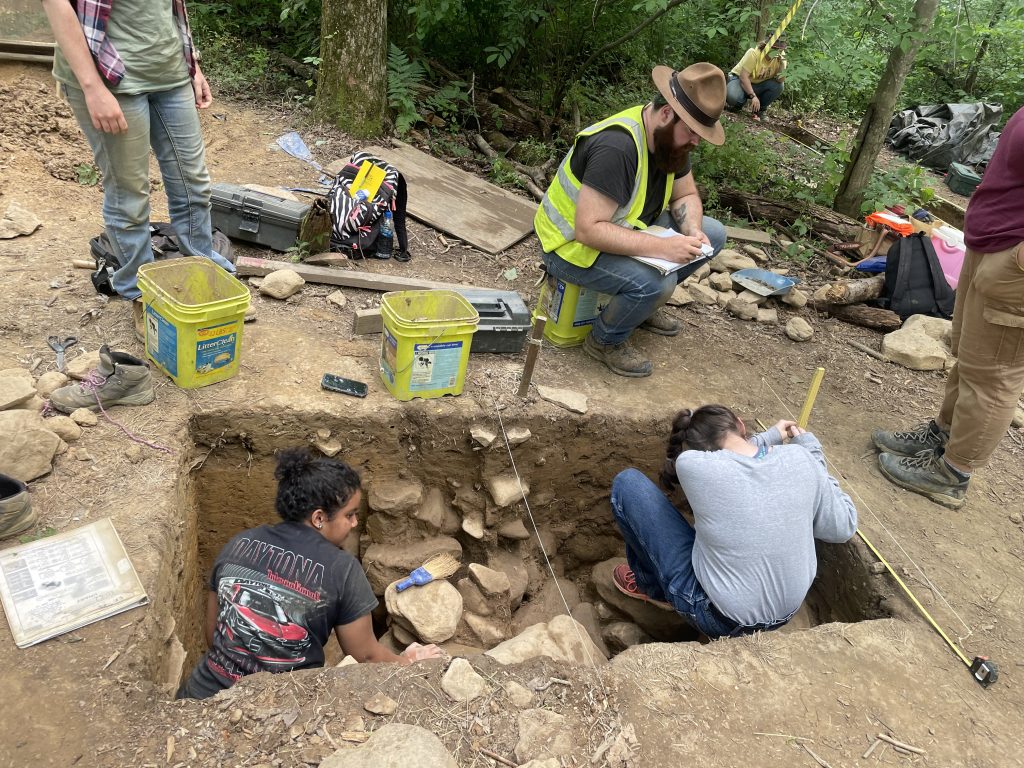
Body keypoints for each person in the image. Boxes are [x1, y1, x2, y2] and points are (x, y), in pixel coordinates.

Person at [177, 449, 442, 699]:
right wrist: (408, 661)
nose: (354, 523)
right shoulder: (343, 569)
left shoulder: (239, 543)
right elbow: (368, 656)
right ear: (318, 518)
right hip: (276, 710)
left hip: (199, 697)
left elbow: (213, 634)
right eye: (349, 514)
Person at [41, 0, 234, 338]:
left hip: (170, 73)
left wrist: (194, 67)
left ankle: (203, 274)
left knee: (194, 184)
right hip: (109, 76)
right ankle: (141, 292)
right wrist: (92, 87)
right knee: (130, 193)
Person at [533, 63, 729, 378]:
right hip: (568, 248)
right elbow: (588, 229)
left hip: (621, 232)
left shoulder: (672, 140)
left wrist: (692, 230)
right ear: (666, 113)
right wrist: (664, 249)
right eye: (692, 132)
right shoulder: (618, 148)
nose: (695, 142)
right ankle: (604, 341)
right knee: (656, 282)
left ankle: (640, 308)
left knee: (713, 233)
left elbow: (686, 195)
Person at [872, 106, 1024, 510]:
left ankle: (954, 473)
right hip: (994, 240)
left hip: (1014, 259)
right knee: (970, 359)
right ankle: (942, 438)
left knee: (994, 374)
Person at [609, 405, 857, 638]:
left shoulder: (691, 464)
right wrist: (813, 455)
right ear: (740, 425)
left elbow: (733, 456)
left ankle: (653, 589)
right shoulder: (802, 459)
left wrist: (768, 436)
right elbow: (842, 527)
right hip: (786, 613)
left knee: (628, 483)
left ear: (696, 449)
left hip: (719, 619)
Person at [726, 36, 788, 121]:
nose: (777, 51)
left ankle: (759, 110)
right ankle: (737, 105)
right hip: (739, 80)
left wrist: (782, 64)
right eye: (774, 48)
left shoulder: (781, 57)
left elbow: (780, 80)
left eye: (780, 49)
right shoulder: (754, 53)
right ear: (767, 46)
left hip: (758, 84)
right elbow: (743, 77)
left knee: (779, 86)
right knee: (733, 96)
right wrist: (753, 96)